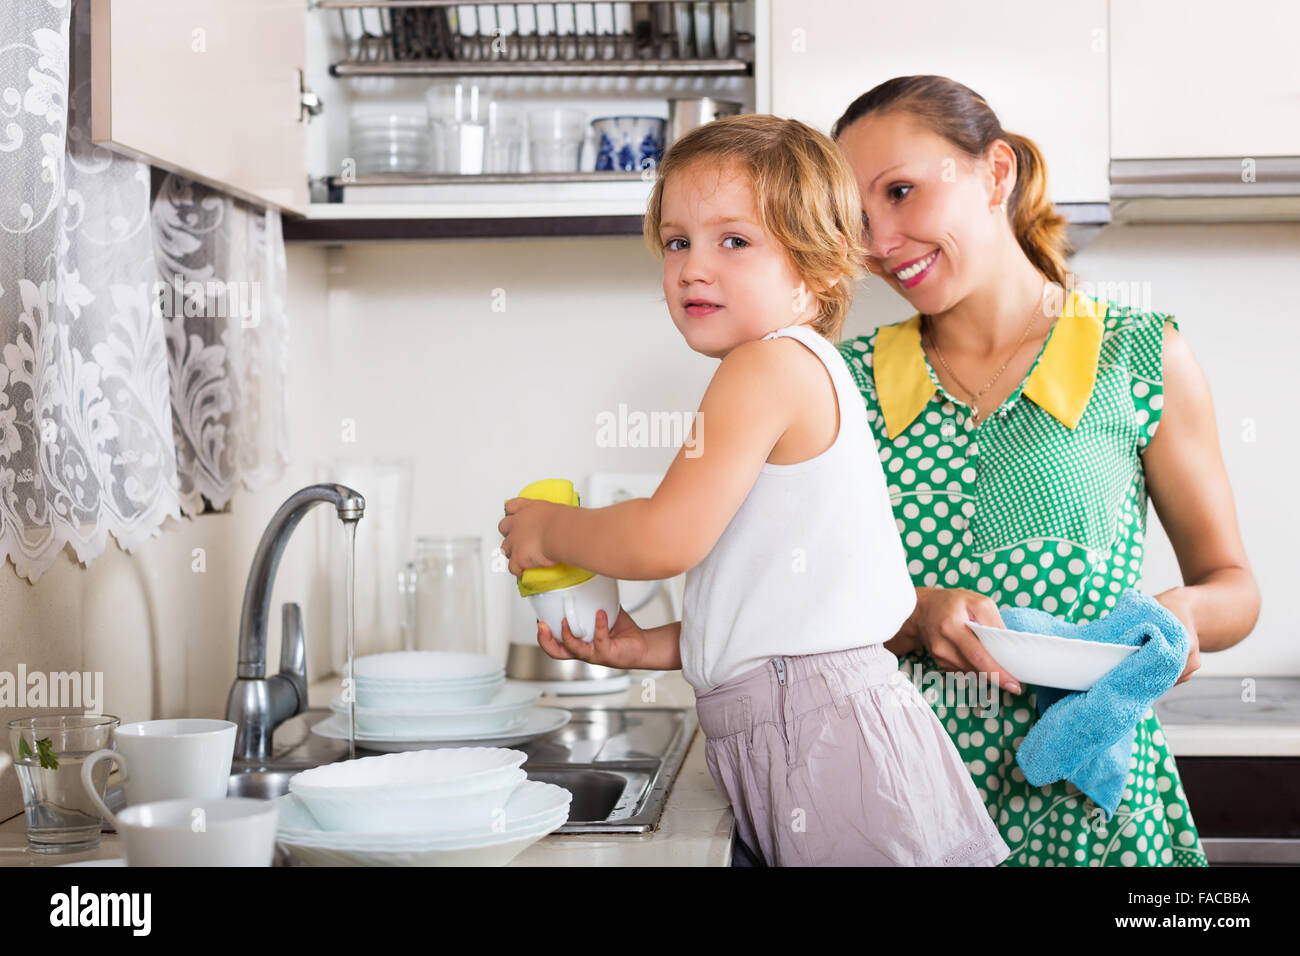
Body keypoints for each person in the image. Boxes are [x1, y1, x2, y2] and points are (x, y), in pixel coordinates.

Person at [498, 113, 1010, 867]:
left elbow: (665, 538)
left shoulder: (763, 369)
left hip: (822, 737)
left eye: (734, 241)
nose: (693, 268)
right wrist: (661, 645)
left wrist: (551, 531)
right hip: (828, 724)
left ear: (822, 269)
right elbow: (777, 604)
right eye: (678, 241)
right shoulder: (791, 367)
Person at [829, 75, 1261, 866]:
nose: (880, 242)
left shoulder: (1138, 354)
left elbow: (1234, 585)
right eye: (858, 217)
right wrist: (916, 615)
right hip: (905, 797)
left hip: (1092, 812)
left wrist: (1180, 618)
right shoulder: (844, 382)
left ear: (996, 173)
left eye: (902, 192)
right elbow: (806, 609)